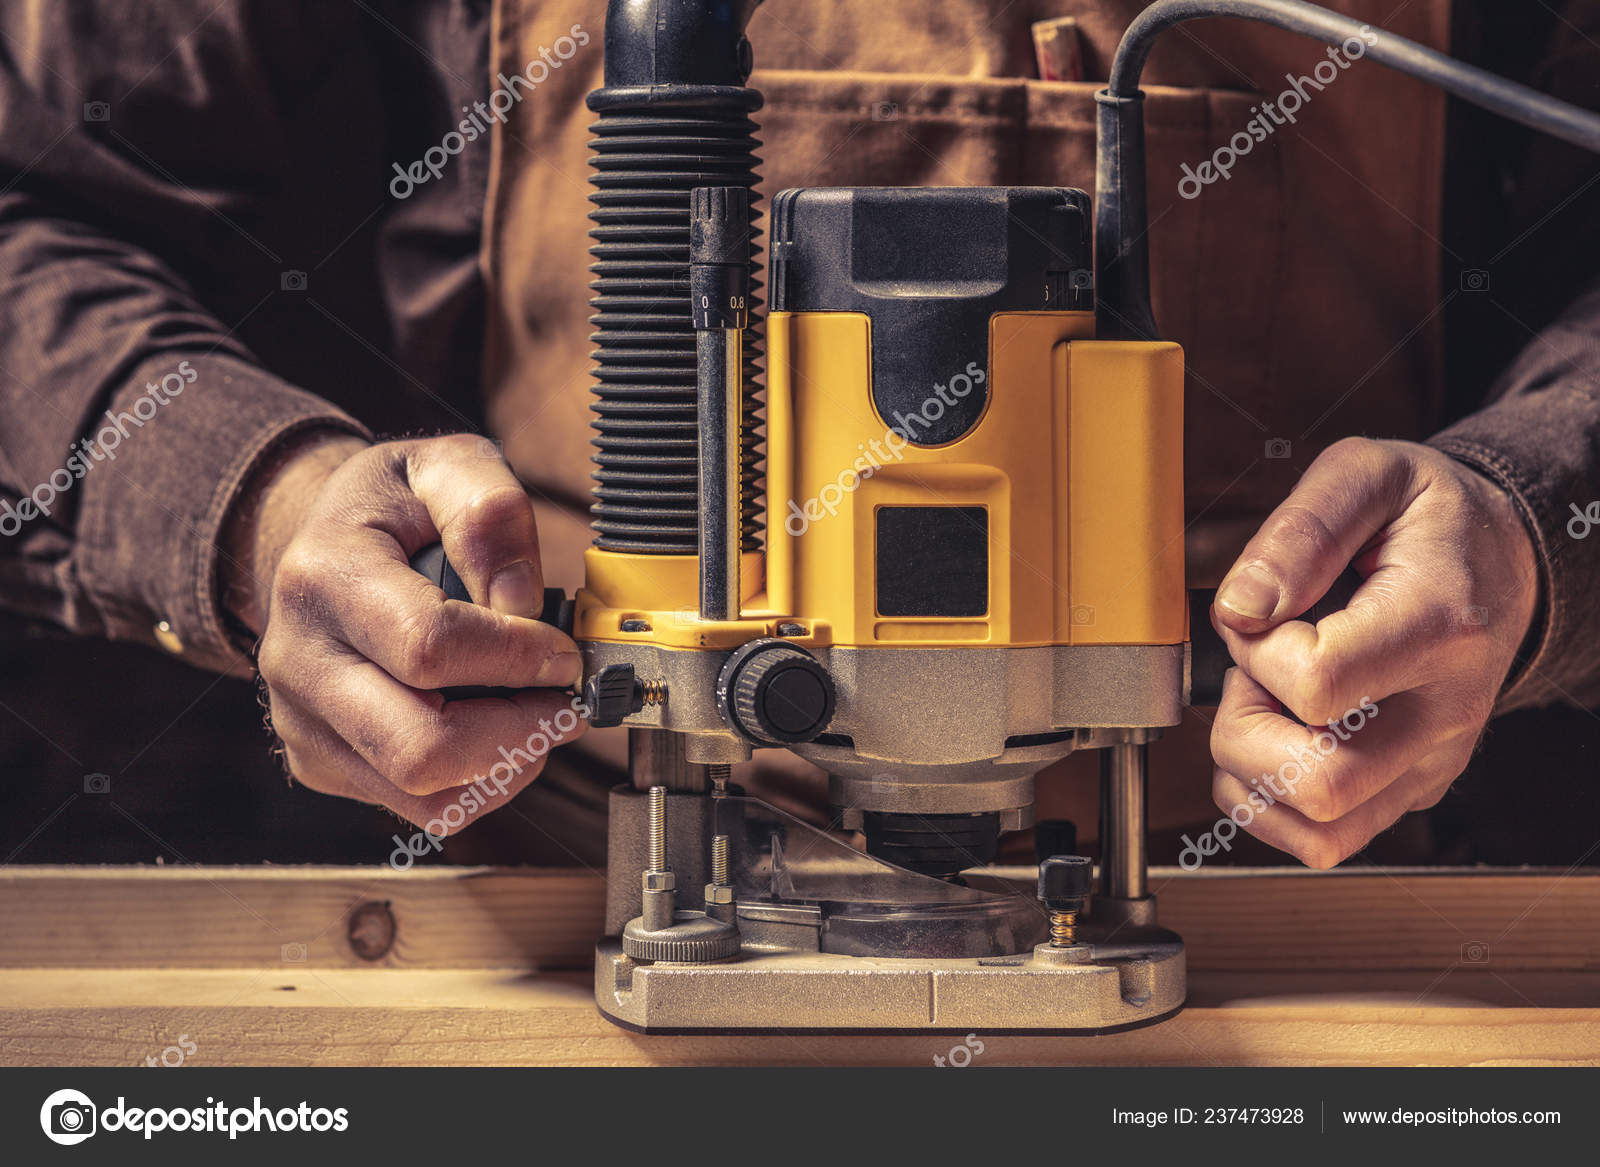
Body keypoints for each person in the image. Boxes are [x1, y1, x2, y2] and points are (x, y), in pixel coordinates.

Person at [1, 0, 1597, 869]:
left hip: (1294, 860)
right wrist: (266, 513)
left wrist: (1531, 519)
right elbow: (33, 211)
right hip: (582, 861)